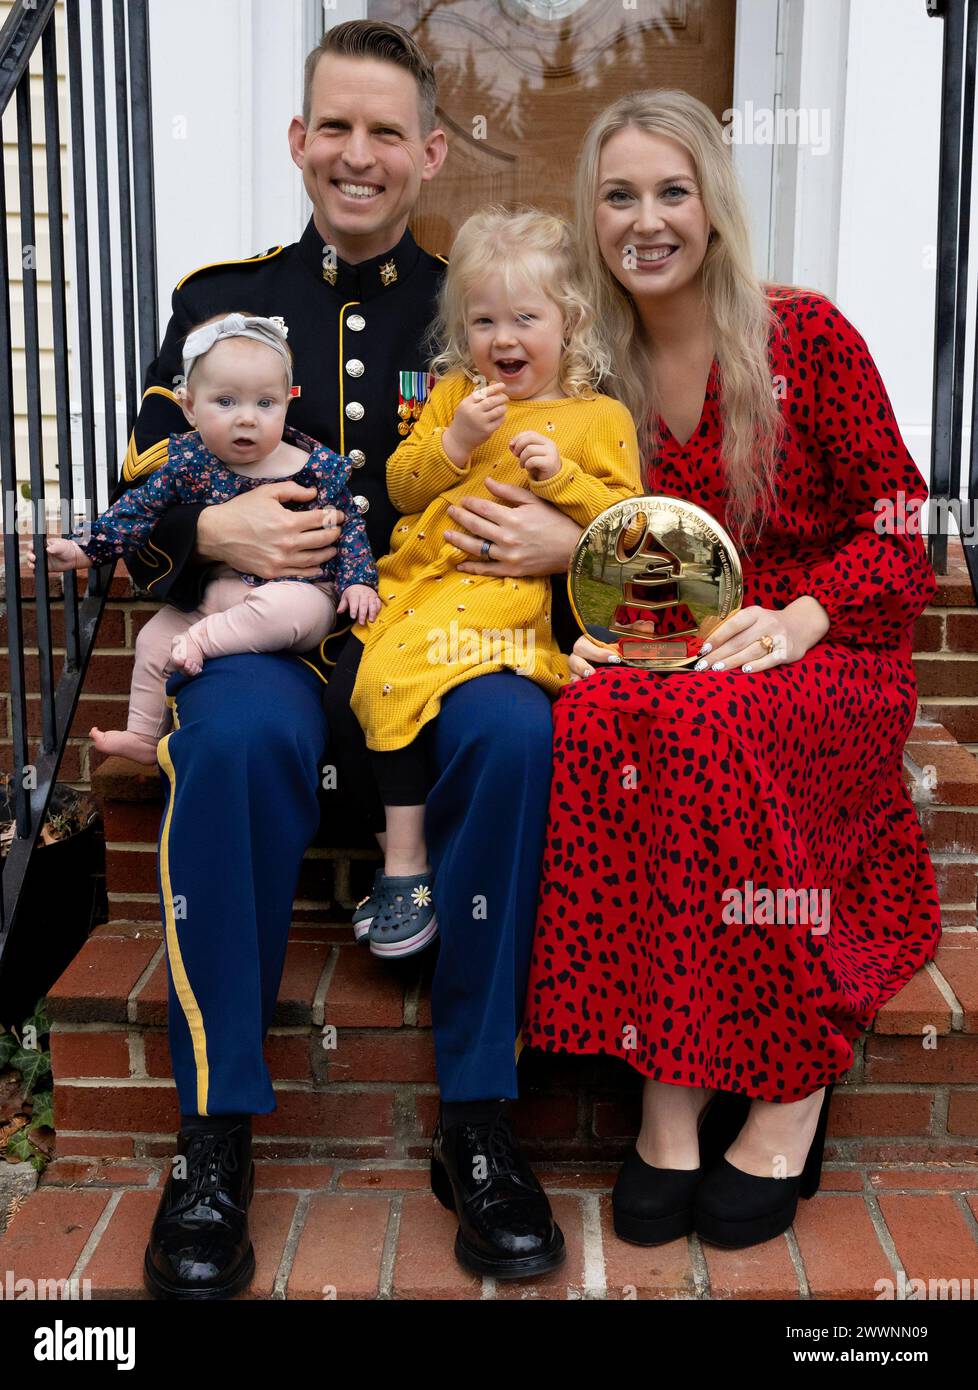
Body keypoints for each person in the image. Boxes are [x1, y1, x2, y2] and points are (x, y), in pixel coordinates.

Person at [118, 21, 581, 1299]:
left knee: (514, 734)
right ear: (297, 140)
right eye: (335, 126)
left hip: (440, 631)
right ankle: (211, 1140)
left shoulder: (477, 300)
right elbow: (138, 491)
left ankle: (479, 1119)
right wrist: (206, 523)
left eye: (387, 131)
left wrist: (563, 535)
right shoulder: (217, 304)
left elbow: (571, 443)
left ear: (431, 152)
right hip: (277, 636)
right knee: (229, 736)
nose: (357, 154)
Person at [521, 89, 942, 1251]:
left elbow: (907, 522)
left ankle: (787, 1082)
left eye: (671, 190)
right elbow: (585, 537)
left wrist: (805, 616)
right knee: (595, 719)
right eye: (618, 195)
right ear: (590, 214)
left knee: (712, 728)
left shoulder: (802, 333)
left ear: (711, 204)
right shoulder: (587, 367)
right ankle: (670, 1088)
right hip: (678, 655)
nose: (645, 218)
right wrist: (591, 618)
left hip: (831, 648)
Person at [328, 207, 640, 959]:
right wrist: (455, 440)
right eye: (483, 321)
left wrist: (562, 477)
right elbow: (402, 488)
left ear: (570, 321)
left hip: (500, 602)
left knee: (393, 684)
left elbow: (626, 521)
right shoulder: (454, 396)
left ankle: (408, 873)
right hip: (418, 585)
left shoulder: (599, 416)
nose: (503, 339)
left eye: (525, 318)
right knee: (345, 692)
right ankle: (403, 863)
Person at [29, 314, 378, 765]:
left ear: (287, 405)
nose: (247, 419)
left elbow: (350, 527)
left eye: (266, 403)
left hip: (302, 594)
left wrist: (358, 581)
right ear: (190, 407)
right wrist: (81, 549)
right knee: (155, 637)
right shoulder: (188, 462)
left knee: (283, 609)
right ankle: (142, 734)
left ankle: (204, 642)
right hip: (219, 592)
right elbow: (135, 513)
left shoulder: (314, 466)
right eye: (226, 402)